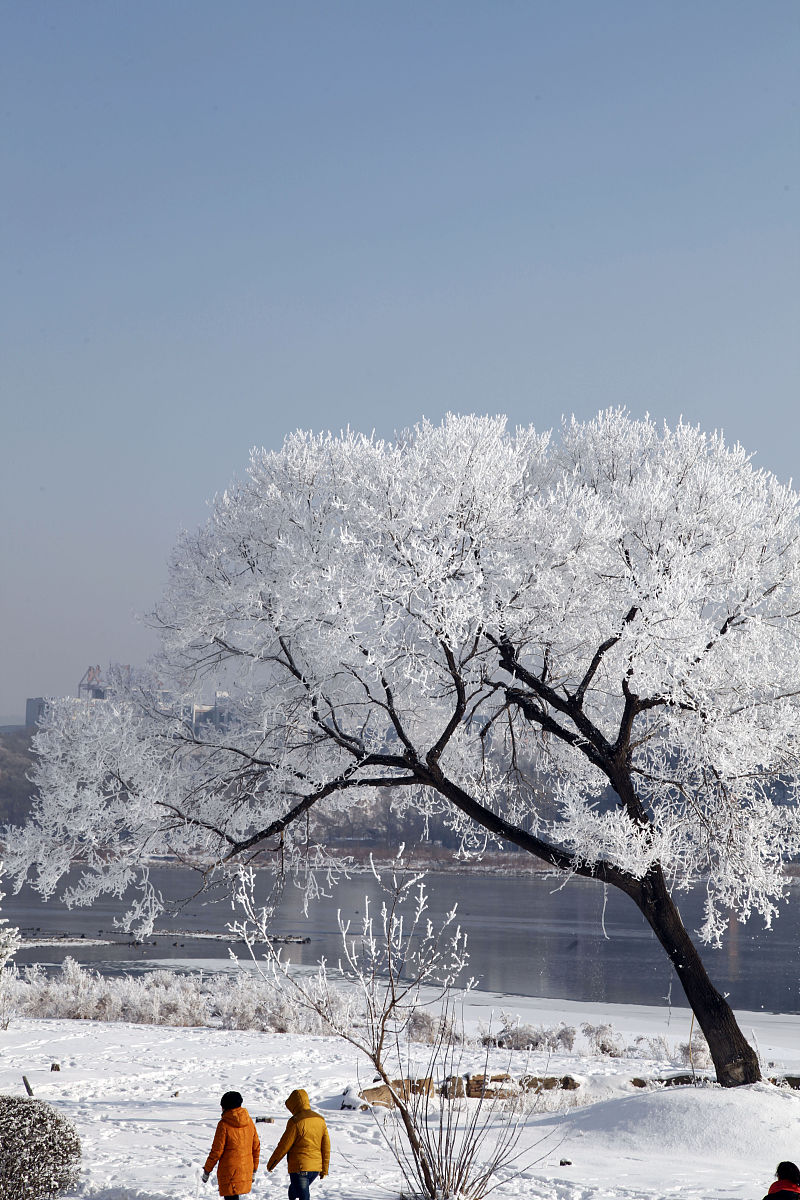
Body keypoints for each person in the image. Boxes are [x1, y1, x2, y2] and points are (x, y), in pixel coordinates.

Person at [267, 1087, 330, 1200]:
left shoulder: (296, 1121)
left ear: (294, 1104)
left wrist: (272, 1164)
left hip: (300, 1168)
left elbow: (284, 1145)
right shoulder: (320, 1119)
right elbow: (326, 1147)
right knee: (293, 1191)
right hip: (315, 1168)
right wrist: (324, 1169)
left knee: (303, 1196)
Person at [202, 1090, 260, 1200]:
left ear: (225, 1107)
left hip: (229, 1173)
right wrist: (254, 1169)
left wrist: (207, 1170)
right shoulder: (249, 1122)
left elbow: (216, 1151)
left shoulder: (223, 1125)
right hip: (245, 1169)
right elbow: (256, 1147)